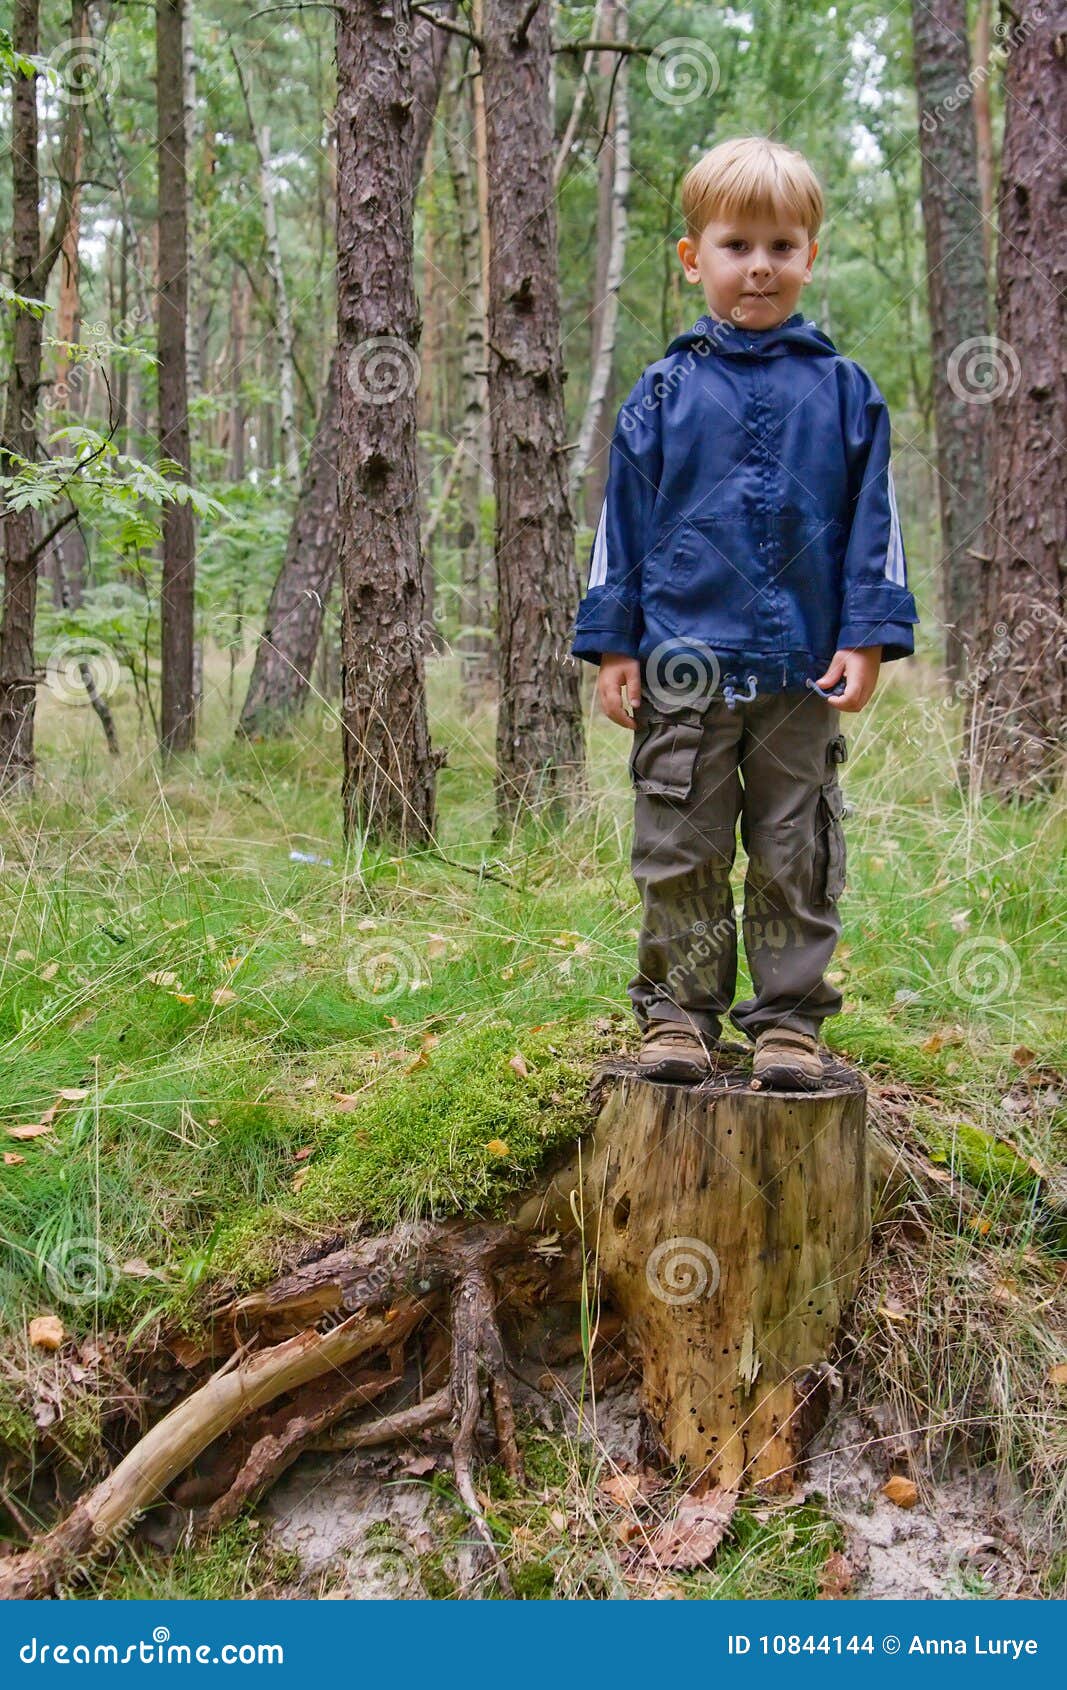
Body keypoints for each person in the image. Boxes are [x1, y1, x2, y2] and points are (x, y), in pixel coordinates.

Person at [569, 136, 919, 1091]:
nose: (757, 266)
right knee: (678, 845)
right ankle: (679, 1017)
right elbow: (621, 524)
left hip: (801, 667)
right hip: (682, 663)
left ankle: (788, 1025)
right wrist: (612, 643)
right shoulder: (662, 392)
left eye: (780, 245)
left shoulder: (845, 394)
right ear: (694, 258)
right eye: (734, 245)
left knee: (793, 847)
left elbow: (872, 526)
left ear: (810, 255)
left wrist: (865, 635)